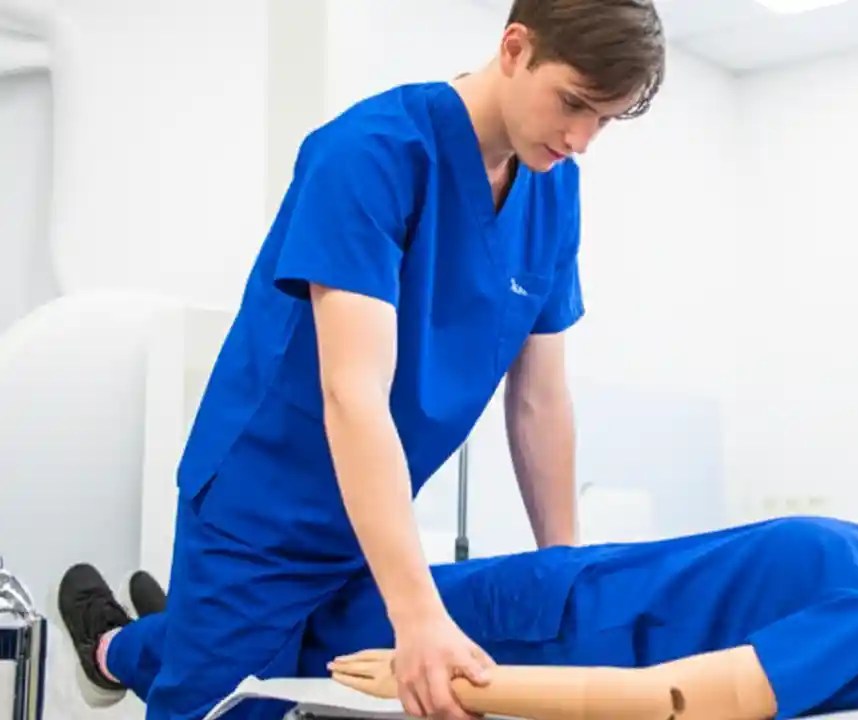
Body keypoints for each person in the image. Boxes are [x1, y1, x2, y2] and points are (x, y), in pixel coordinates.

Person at [54, 3, 666, 719]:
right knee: (233, 699)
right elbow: (354, 391)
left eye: (607, 120)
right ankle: (112, 649)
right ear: (514, 47)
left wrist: (566, 579)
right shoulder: (369, 153)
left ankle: (138, 640)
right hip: (264, 517)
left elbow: (540, 399)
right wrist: (417, 617)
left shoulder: (554, 186)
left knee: (295, 666)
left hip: (373, 517)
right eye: (574, 104)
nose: (584, 139)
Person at [62, 468, 858, 720]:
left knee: (310, 632)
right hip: (577, 584)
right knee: (317, 598)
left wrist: (477, 685)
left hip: (547, 626)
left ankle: (118, 654)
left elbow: (688, 697)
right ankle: (165, 628)